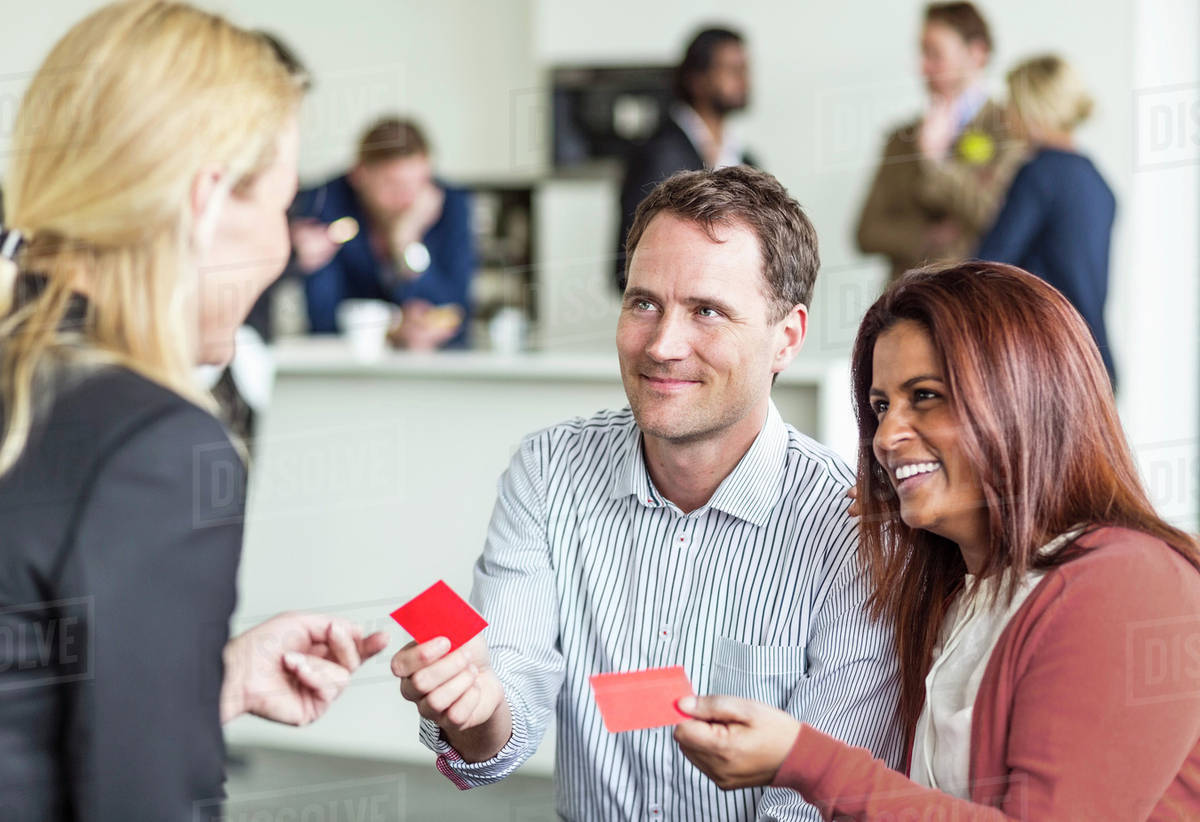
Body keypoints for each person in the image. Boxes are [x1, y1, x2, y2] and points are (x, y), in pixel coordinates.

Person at [391, 166, 904, 820]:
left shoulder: (849, 530)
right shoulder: (549, 472)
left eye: (707, 311)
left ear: (788, 338)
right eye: (643, 303)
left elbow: (814, 802)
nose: (662, 344)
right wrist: (477, 705)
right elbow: (502, 727)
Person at [0, 3, 388, 819]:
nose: (284, 246)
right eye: (279, 207)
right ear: (206, 201)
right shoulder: (155, 446)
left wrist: (194, 683)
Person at [671, 262, 1200, 819]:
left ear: (1026, 397)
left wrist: (805, 760)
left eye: (925, 396)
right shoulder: (960, 596)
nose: (886, 437)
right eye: (881, 407)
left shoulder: (1131, 583)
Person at [856, 2, 1026, 283]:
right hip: (905, 305)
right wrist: (926, 238)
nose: (922, 67)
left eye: (935, 53)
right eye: (922, 53)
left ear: (977, 54)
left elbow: (999, 218)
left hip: (978, 303)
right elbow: (866, 231)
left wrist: (935, 161)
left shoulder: (1011, 132)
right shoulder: (901, 138)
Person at [977, 56, 1117, 385]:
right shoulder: (1097, 181)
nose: (1006, 114)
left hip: (1046, 361)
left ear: (1031, 106)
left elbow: (985, 266)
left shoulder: (1038, 172)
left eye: (1011, 103)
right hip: (1094, 360)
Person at [291, 118, 476, 349]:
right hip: (347, 366)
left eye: (417, 183)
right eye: (392, 185)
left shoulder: (450, 205)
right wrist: (391, 330)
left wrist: (405, 241)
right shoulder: (325, 203)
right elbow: (322, 316)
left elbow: (454, 309)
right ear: (359, 176)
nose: (407, 198)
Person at [614, 26, 754, 290]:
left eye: (744, 69)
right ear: (696, 79)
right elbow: (626, 262)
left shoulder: (746, 159)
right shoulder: (658, 153)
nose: (744, 79)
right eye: (732, 69)